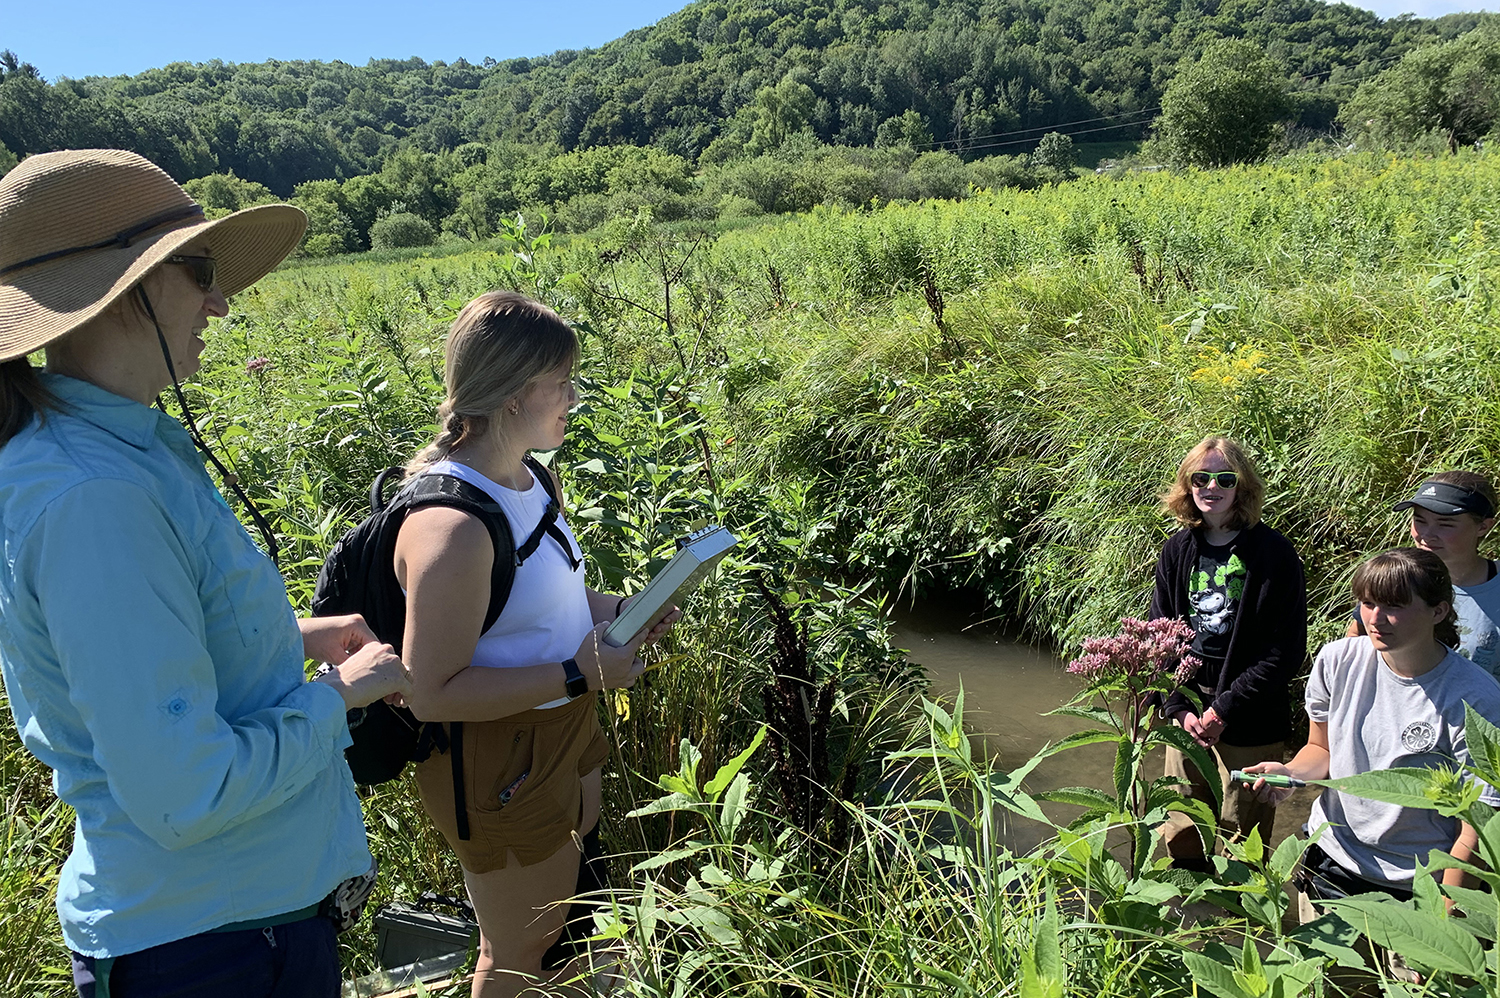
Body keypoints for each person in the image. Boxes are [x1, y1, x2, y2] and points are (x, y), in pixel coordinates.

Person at [0, 149, 410, 997]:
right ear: (119, 289)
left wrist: (294, 637)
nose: (220, 303)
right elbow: (188, 792)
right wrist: (340, 694)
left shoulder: (120, 453)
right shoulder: (98, 498)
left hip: (231, 926)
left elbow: (145, 652)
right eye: (198, 271)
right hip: (204, 949)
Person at [395, 291, 678, 998]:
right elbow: (430, 694)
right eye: (563, 382)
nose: (574, 398)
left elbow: (546, 598)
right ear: (517, 394)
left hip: (562, 727)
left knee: (577, 923)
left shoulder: (530, 477)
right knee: (520, 949)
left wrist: (622, 610)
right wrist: (579, 675)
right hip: (498, 757)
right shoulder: (449, 526)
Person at [1244, 547, 1500, 905]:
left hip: (1420, 885)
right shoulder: (1338, 660)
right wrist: (1289, 773)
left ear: (1438, 611)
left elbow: (1477, 826)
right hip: (1331, 862)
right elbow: (1321, 749)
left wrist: (1448, 916)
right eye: (1367, 603)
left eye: (1394, 605)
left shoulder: (1477, 699)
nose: (1375, 618)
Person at [1149, 435, 1307, 870]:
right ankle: (1186, 923)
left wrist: (1223, 710)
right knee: (1181, 822)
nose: (1211, 487)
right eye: (1201, 478)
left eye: (1224, 478)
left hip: (1252, 712)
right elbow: (1160, 633)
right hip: (1188, 710)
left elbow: (1285, 650)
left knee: (1245, 832)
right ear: (1187, 484)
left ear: (1243, 486)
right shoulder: (1178, 548)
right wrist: (1179, 707)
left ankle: (1240, 926)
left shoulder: (1274, 553)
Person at [1347, 472, 1500, 682]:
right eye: (1420, 520)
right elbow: (1355, 641)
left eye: (1445, 524)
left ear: (1483, 526)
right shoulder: (1395, 576)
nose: (1427, 534)